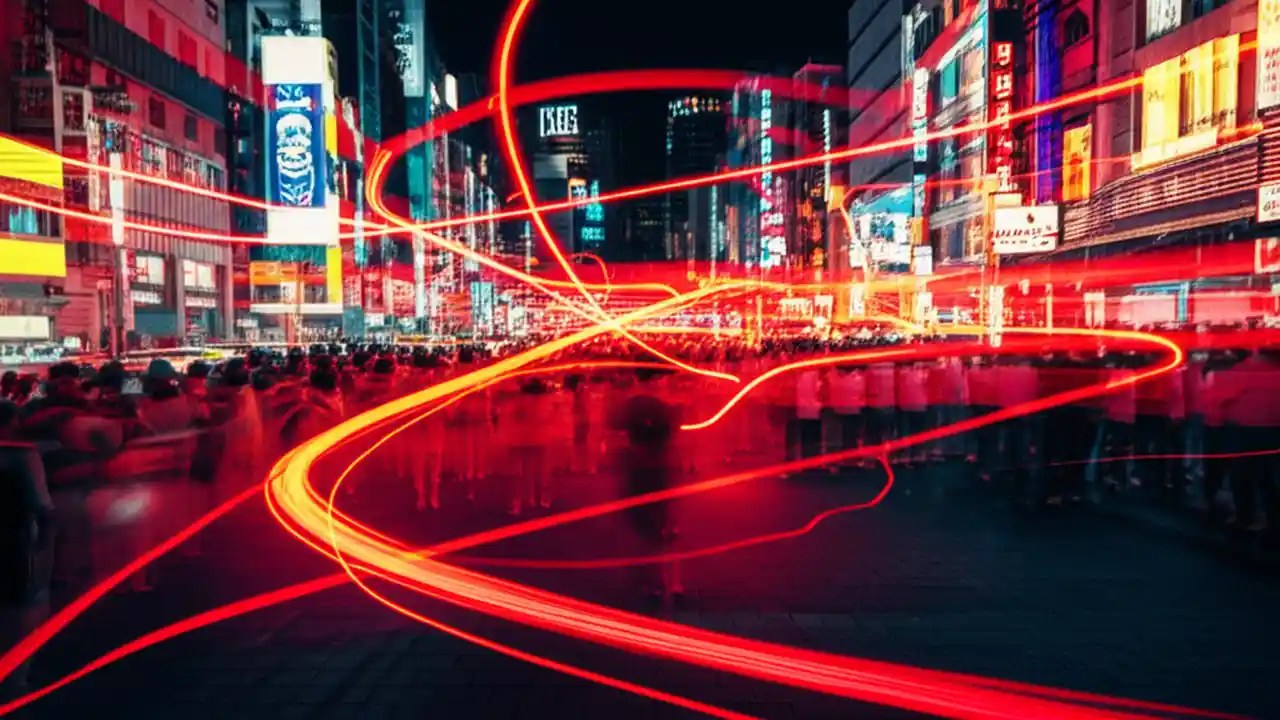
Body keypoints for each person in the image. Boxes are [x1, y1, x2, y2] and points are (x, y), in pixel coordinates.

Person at [616, 367, 682, 605]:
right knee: (664, 527)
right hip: (658, 469)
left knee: (648, 528)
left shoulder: (634, 403)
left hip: (643, 470)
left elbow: (617, 429)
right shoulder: (667, 404)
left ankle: (654, 581)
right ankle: (670, 582)